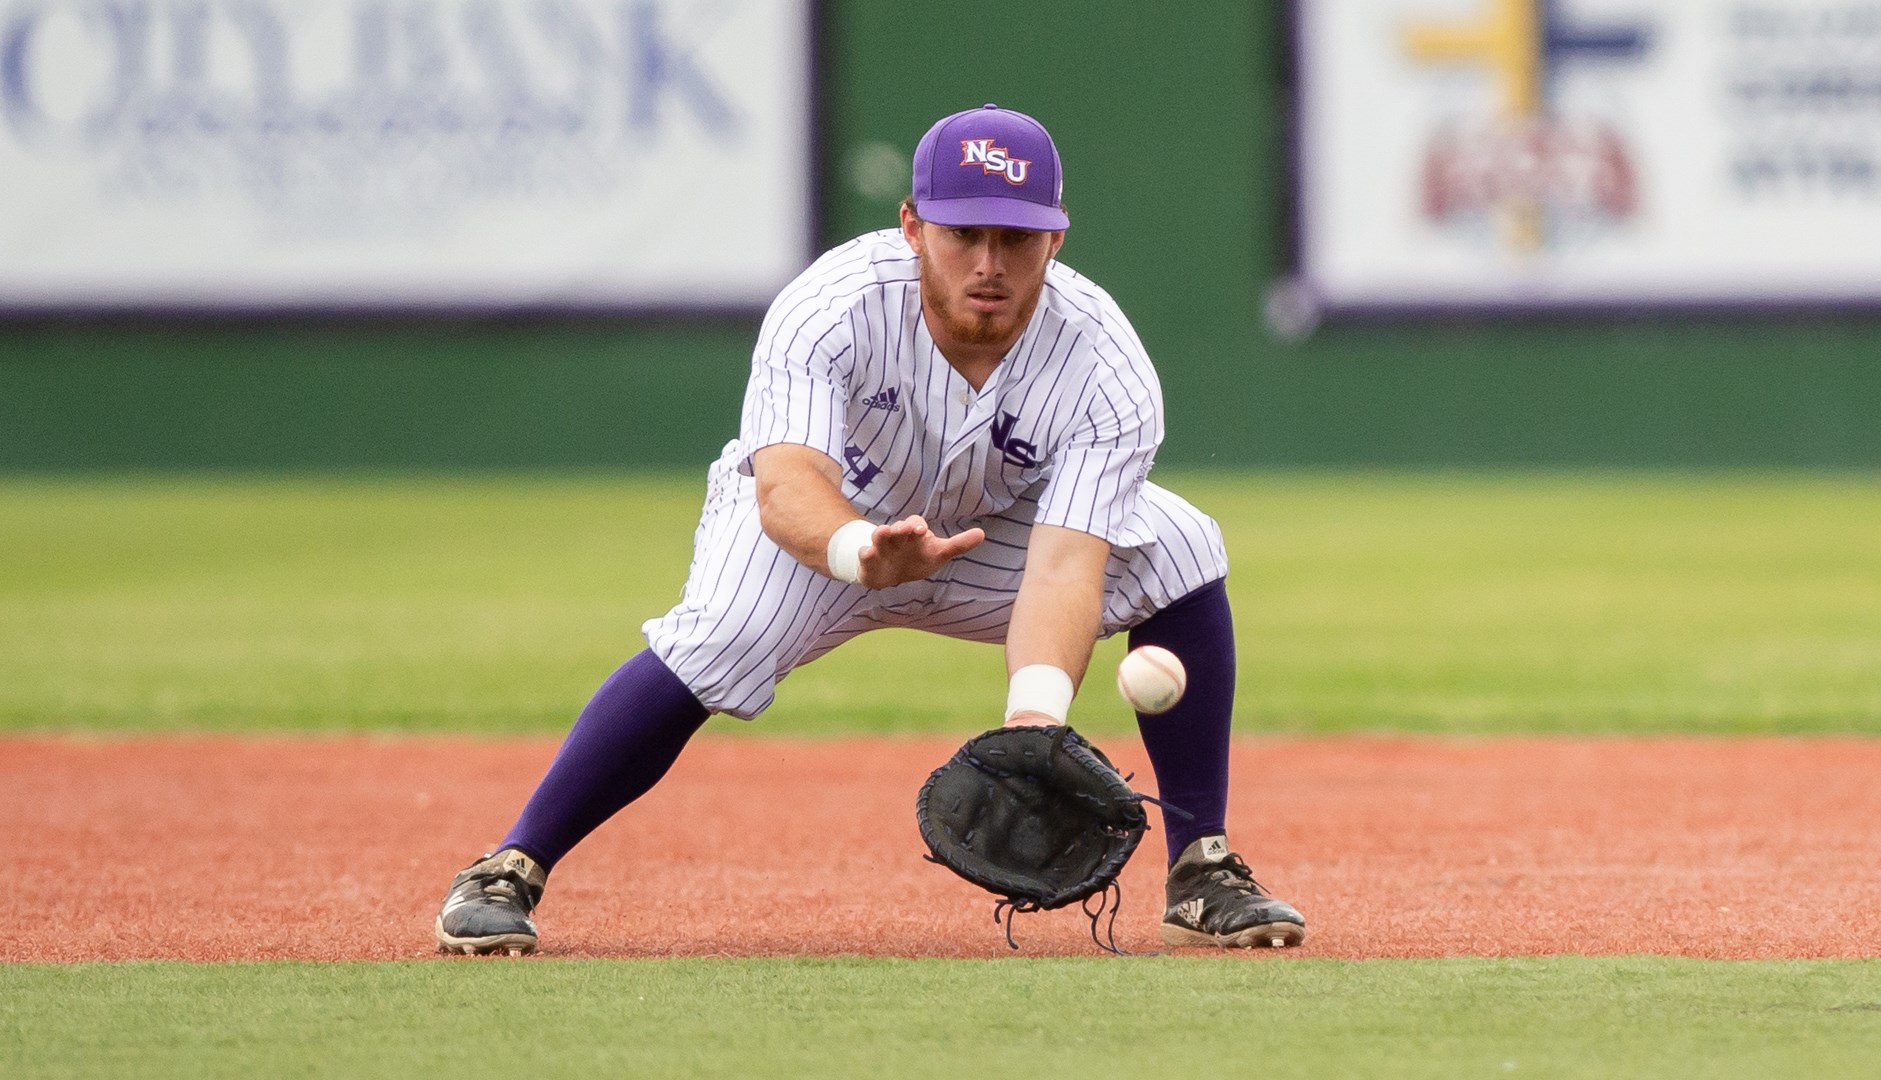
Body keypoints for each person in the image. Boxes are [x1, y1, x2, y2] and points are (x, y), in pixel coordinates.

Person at [435, 104, 1306, 955]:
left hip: (994, 536)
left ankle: (1200, 869)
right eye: (962, 233)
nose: (988, 262)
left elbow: (1064, 567)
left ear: (1056, 239)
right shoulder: (833, 305)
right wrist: (859, 551)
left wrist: (1032, 728)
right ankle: (510, 866)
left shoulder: (1102, 359)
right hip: (827, 529)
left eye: (1016, 236)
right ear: (912, 226)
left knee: (1179, 548)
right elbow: (786, 485)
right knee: (718, 640)